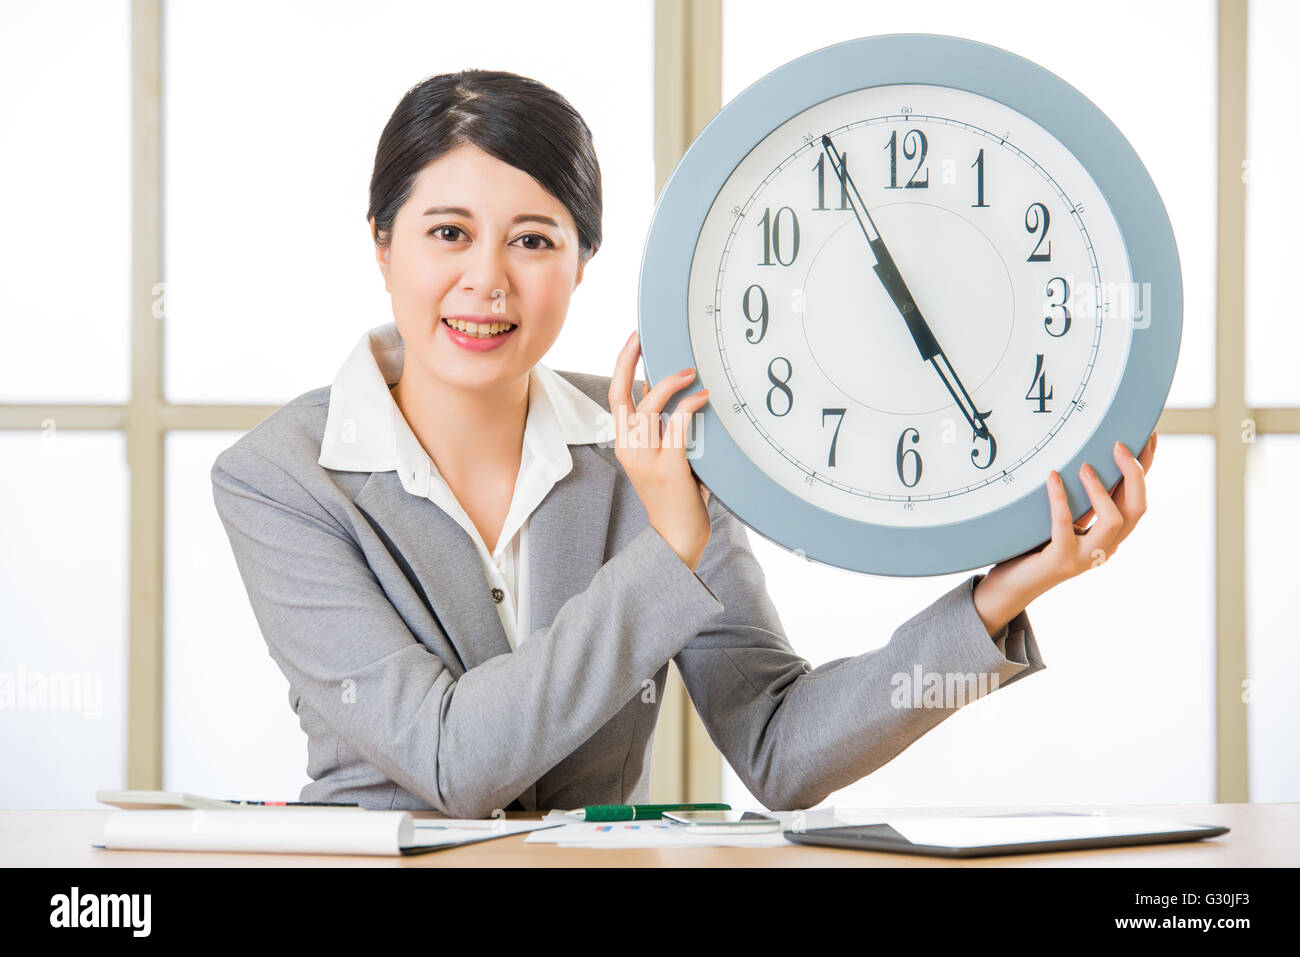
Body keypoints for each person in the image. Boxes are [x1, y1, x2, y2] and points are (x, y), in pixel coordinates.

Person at [211, 69, 1156, 816]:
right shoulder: (280, 480)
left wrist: (999, 598)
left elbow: (781, 748)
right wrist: (669, 550)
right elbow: (452, 762)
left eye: (534, 241)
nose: (486, 280)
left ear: (583, 263)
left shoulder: (656, 450)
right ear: (382, 245)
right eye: (447, 232)